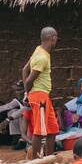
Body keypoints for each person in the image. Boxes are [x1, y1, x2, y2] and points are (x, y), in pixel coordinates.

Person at [22, 27, 59, 157]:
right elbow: (28, 80)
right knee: (40, 130)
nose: (57, 40)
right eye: (56, 37)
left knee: (52, 128)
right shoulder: (42, 57)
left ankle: (48, 158)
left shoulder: (38, 51)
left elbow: (24, 69)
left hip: (43, 95)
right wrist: (27, 95)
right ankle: (35, 161)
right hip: (39, 95)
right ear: (52, 38)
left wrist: (28, 94)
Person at [0, 82, 29, 150]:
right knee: (11, 112)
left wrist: (7, 120)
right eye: (16, 90)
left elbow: (25, 109)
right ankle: (16, 137)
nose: (17, 92)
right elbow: (6, 107)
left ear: (25, 90)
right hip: (25, 123)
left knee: (21, 114)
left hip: (34, 123)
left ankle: (23, 140)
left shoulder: (29, 98)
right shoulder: (19, 99)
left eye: (19, 90)